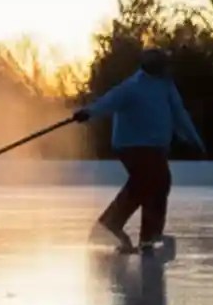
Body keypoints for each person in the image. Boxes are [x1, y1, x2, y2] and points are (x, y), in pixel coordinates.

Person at [73, 48, 205, 254]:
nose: (167, 69)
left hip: (156, 146)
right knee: (154, 181)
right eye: (164, 66)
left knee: (149, 184)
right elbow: (108, 102)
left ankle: (123, 229)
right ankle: (134, 231)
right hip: (132, 144)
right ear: (154, 67)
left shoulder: (166, 87)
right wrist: (88, 112)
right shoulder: (132, 87)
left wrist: (193, 139)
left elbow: (179, 114)